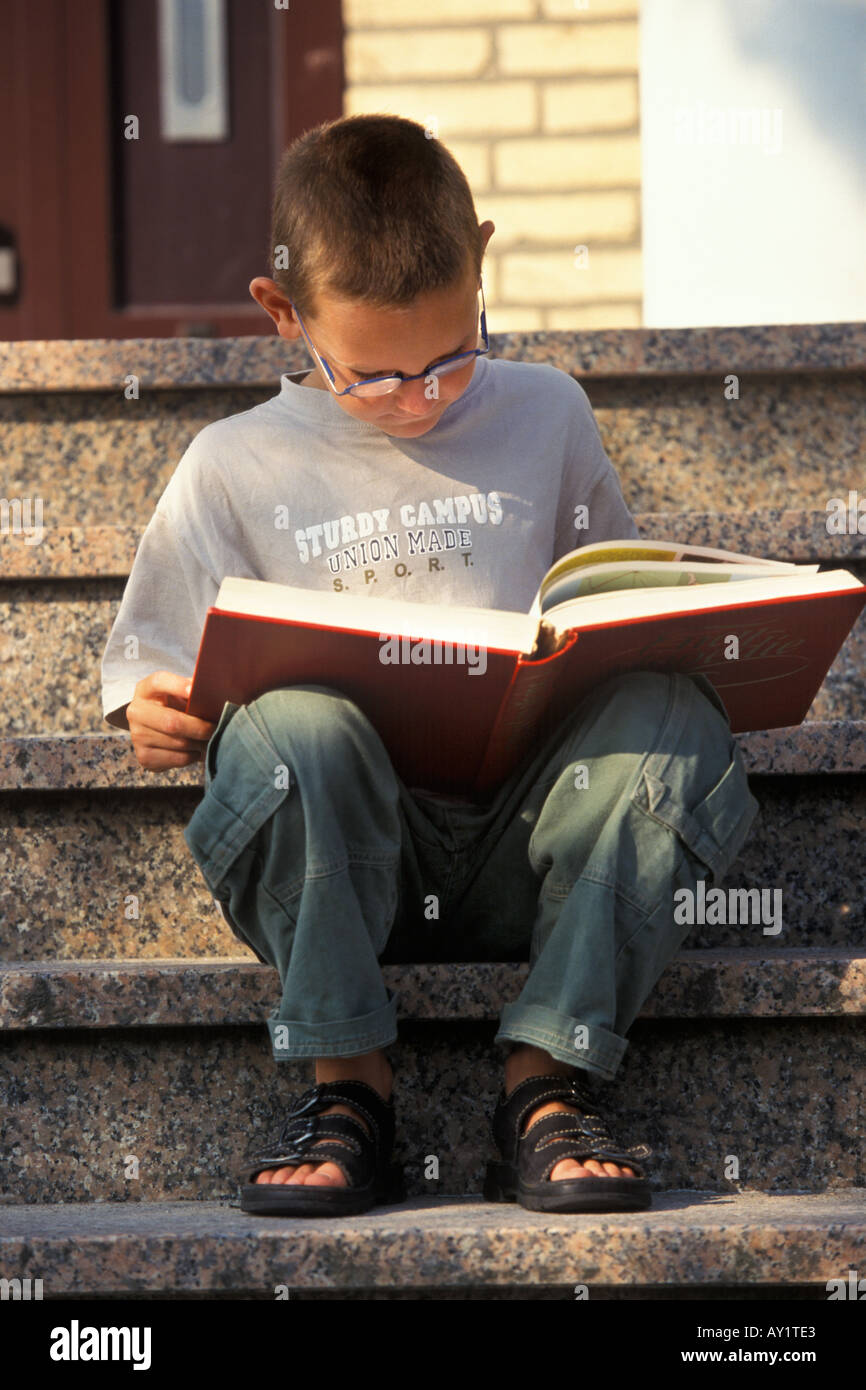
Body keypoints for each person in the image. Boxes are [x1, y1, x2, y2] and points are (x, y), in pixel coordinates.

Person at [101, 113, 759, 1218]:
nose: (422, 395)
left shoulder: (546, 412)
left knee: (670, 714)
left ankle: (545, 1079)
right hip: (351, 871)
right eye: (375, 374)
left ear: (483, 262)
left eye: (456, 355)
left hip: (530, 845)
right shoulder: (231, 465)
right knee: (286, 732)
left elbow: (611, 603)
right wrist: (156, 713)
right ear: (283, 314)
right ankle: (346, 1084)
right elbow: (151, 672)